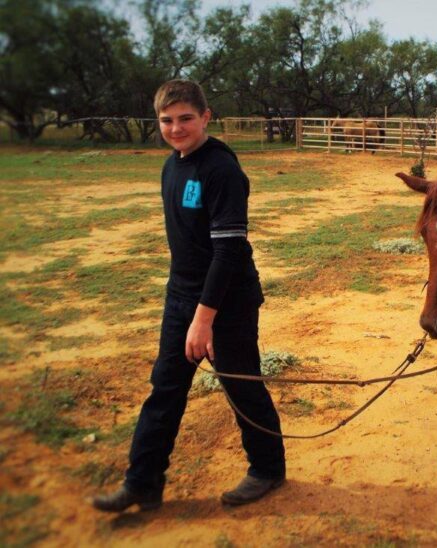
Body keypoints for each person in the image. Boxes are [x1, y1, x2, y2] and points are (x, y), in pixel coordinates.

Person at [91, 80, 286, 512]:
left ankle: (268, 469)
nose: (176, 128)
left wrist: (205, 318)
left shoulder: (221, 170)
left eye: (185, 119)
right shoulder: (171, 166)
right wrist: (186, 305)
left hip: (227, 302)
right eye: (166, 120)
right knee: (165, 388)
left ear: (206, 117)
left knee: (241, 386)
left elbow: (229, 249)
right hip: (181, 296)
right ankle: (142, 481)